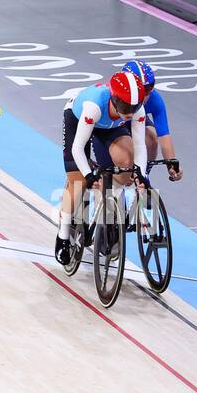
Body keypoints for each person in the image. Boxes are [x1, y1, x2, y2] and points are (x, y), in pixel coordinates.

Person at [54, 71, 148, 265]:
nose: (130, 112)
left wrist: (141, 173)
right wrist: (88, 175)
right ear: (113, 99)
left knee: (126, 162)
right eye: (125, 106)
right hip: (77, 119)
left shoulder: (136, 110)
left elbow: (140, 146)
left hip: (109, 126)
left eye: (134, 107)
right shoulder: (93, 106)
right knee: (78, 183)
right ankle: (63, 235)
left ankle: (110, 209)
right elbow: (77, 148)